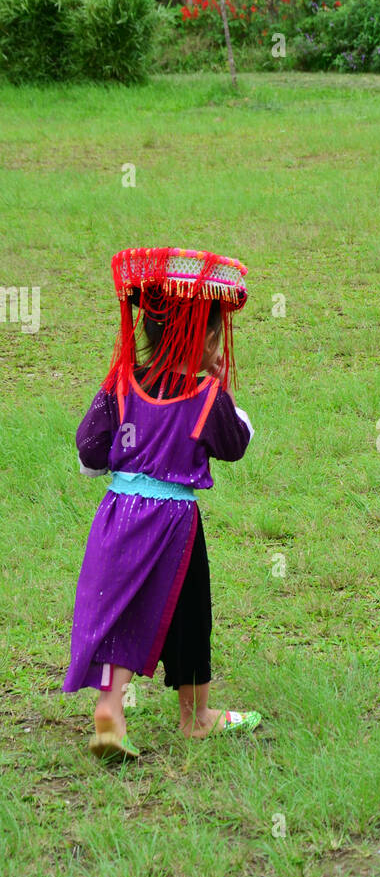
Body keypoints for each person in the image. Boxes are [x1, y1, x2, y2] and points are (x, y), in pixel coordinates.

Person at [63, 246, 261, 760]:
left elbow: (89, 447)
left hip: (116, 514)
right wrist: (226, 398)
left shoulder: (122, 385)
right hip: (175, 521)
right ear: (206, 338)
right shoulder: (206, 396)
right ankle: (196, 716)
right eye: (216, 336)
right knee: (190, 609)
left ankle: (110, 706)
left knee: (119, 603)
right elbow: (233, 446)